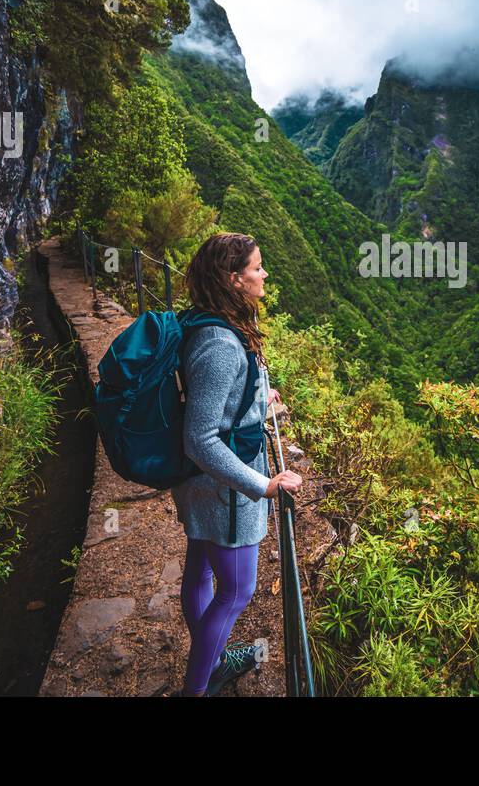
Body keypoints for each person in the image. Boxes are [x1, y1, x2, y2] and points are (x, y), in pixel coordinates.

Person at [171, 232, 303, 697]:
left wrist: (255, 398)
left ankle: (210, 658)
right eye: (257, 267)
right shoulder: (221, 344)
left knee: (199, 574)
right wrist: (263, 485)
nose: (264, 274)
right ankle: (199, 687)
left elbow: (215, 403)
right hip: (224, 489)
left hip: (204, 487)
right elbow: (200, 437)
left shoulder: (211, 324)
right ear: (234, 278)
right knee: (237, 592)